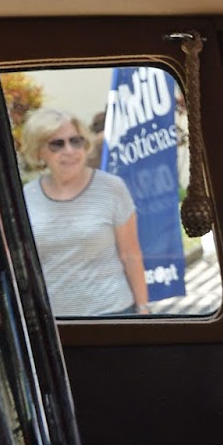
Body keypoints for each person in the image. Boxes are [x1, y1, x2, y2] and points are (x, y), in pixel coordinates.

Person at [19, 107, 151, 317]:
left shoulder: (112, 188)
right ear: (39, 152)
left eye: (76, 141)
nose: (69, 150)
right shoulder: (26, 196)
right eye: (57, 144)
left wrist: (144, 310)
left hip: (114, 313)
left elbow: (131, 255)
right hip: (55, 323)